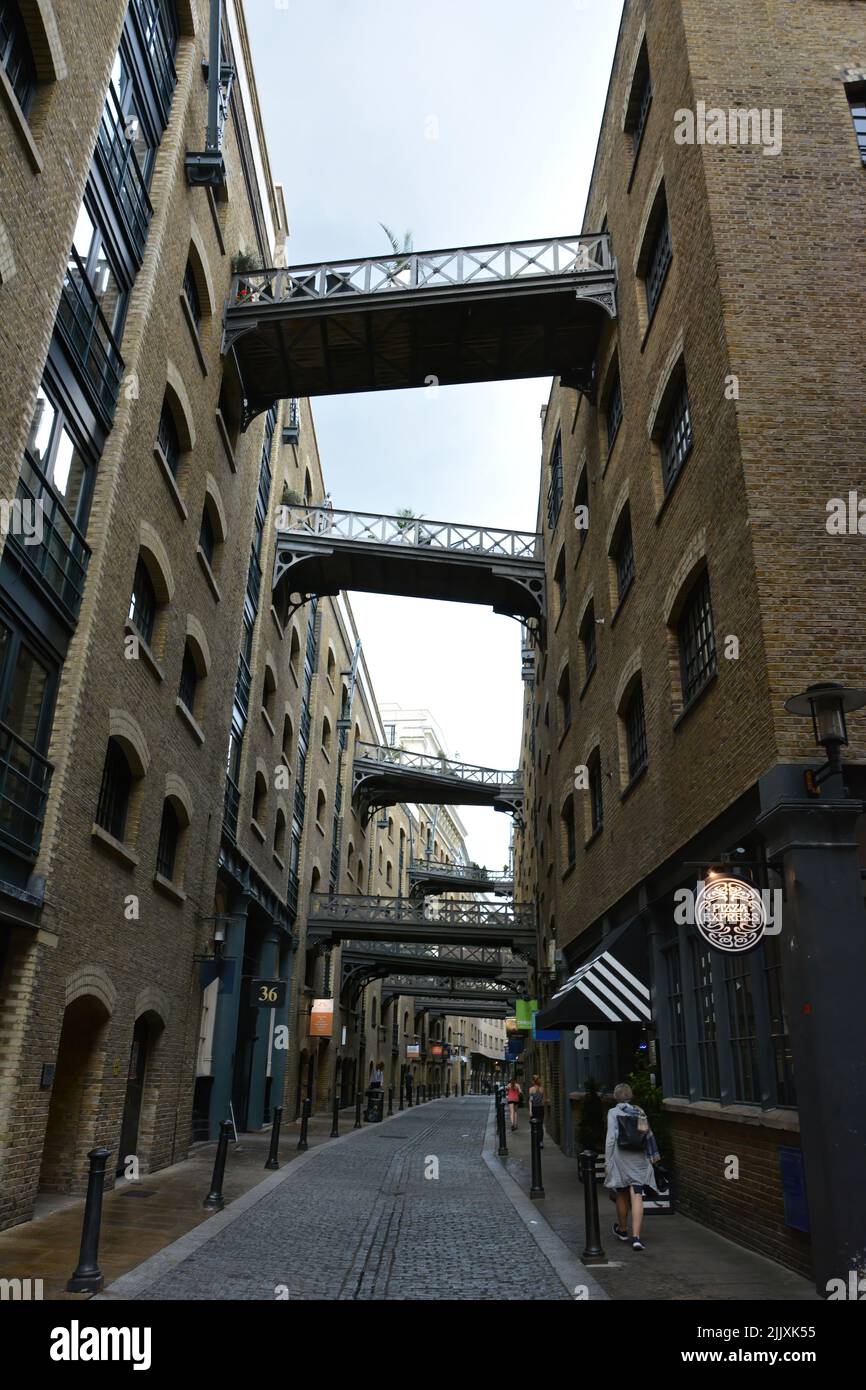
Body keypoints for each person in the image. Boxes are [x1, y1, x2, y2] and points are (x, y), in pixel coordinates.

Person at [604, 1082, 662, 1252]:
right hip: (639, 1158)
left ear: (616, 1096)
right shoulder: (640, 1112)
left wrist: (607, 1162)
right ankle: (636, 1238)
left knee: (621, 1192)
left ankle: (622, 1230)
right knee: (637, 1194)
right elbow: (646, 1134)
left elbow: (610, 1139)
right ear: (631, 1096)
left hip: (621, 1157)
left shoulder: (613, 1113)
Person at [528, 1074, 545, 1147]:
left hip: (534, 1108)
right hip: (541, 1108)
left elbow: (530, 1101)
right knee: (540, 1125)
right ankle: (541, 1142)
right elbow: (543, 1100)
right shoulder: (542, 1089)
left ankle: (535, 1140)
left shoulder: (531, 1089)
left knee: (534, 1125)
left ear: (533, 1081)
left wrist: (530, 1111)